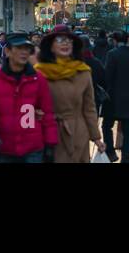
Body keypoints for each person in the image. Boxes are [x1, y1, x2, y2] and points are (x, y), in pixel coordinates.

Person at [0, 32, 57, 163]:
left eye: (26, 49)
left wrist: (50, 143)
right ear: (7, 51)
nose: (24, 52)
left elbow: (48, 113)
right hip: (2, 147)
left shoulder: (38, 79)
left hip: (32, 148)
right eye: (19, 48)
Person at [34, 25, 103, 163]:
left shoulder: (83, 72)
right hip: (48, 134)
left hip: (78, 133)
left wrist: (96, 137)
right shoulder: (38, 73)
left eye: (69, 40)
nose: (66, 43)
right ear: (51, 46)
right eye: (60, 39)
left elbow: (89, 108)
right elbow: (28, 106)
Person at [104, 30, 129, 162]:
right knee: (127, 130)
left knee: (106, 126)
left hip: (113, 97)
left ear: (115, 41)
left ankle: (110, 152)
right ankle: (125, 158)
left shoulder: (112, 54)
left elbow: (107, 76)